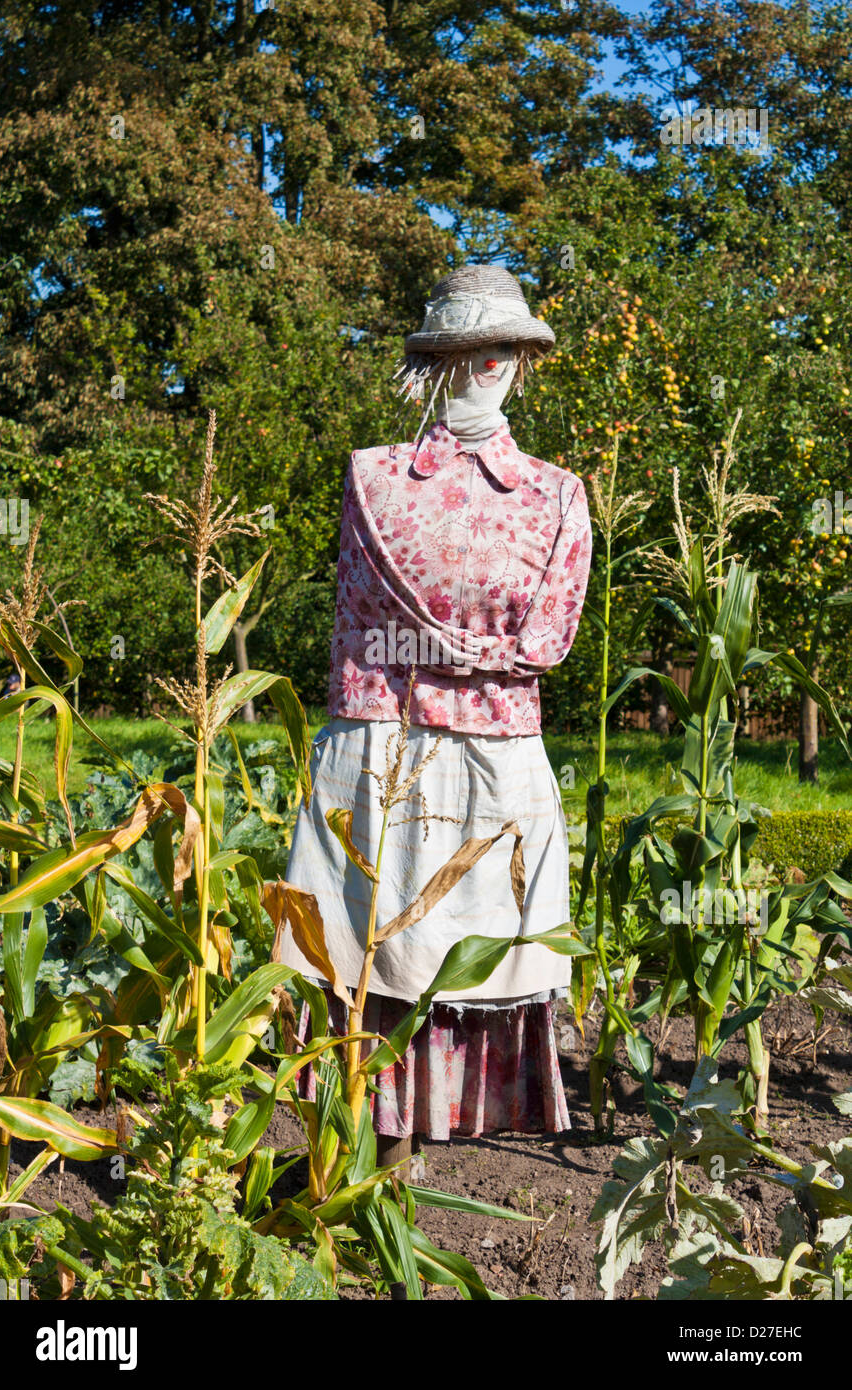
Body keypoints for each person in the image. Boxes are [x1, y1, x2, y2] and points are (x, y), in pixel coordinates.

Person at [279, 264, 592, 1168]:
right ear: (443, 364)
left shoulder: (551, 491)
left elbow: (550, 639)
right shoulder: (376, 478)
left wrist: (423, 656)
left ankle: (401, 1153)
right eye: (470, 351)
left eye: (496, 350)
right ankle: (372, 1156)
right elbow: (537, 641)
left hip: (410, 738)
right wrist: (474, 653)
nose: (485, 366)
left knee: (434, 951)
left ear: (518, 363)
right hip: (418, 744)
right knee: (381, 948)